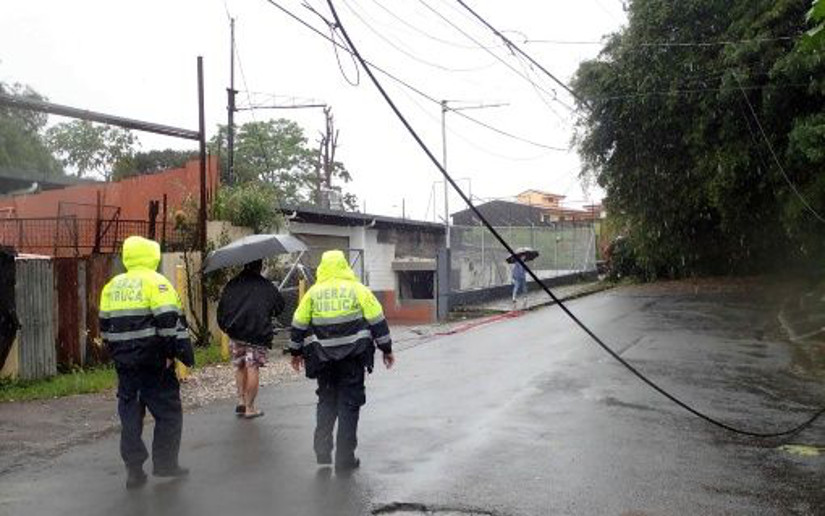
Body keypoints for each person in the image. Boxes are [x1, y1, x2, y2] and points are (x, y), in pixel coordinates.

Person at [99, 235, 194, 489]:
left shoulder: (112, 285)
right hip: (154, 362)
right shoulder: (157, 283)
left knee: (130, 414)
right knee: (169, 413)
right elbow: (168, 323)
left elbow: (105, 328)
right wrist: (171, 354)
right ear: (152, 255)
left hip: (125, 364)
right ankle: (165, 465)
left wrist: (118, 354)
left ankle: (133, 470)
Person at [289, 250, 395, 472]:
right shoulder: (358, 290)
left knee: (326, 401)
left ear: (322, 268)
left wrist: (295, 352)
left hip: (322, 361)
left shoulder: (313, 293)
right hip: (353, 360)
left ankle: (322, 452)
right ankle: (345, 459)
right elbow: (377, 319)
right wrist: (386, 349)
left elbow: (298, 323)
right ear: (345, 266)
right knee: (349, 405)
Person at [217, 259, 285, 419]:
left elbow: (222, 308)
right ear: (260, 267)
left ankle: (241, 401)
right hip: (257, 333)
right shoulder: (266, 285)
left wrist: (226, 327)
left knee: (240, 366)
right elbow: (280, 306)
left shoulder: (233, 284)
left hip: (236, 333)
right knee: (252, 367)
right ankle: (250, 408)